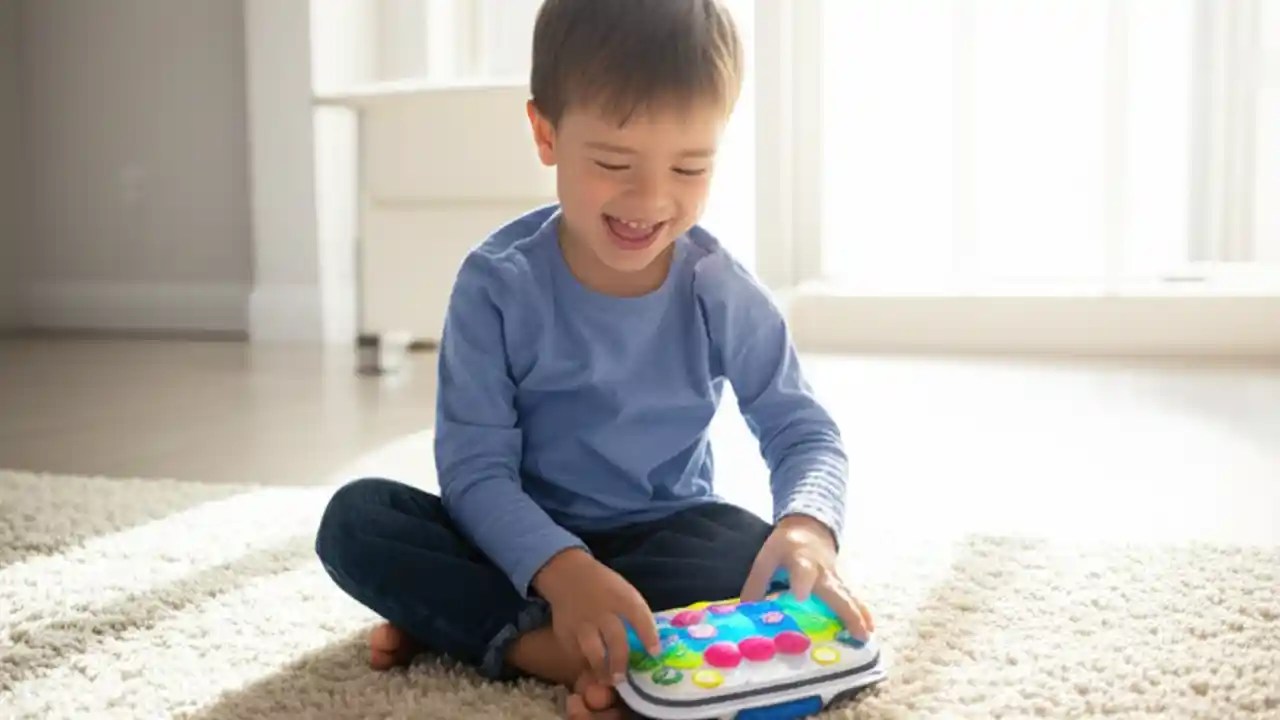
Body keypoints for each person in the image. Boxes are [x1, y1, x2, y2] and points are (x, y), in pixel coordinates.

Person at [315, 0, 874, 717]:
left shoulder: (719, 289)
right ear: (545, 134)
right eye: (614, 163)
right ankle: (550, 646)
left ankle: (474, 628)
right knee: (358, 521)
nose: (651, 198)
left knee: (752, 556)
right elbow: (475, 472)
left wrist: (807, 526)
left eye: (689, 165)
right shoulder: (496, 285)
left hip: (665, 534)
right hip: (518, 542)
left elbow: (805, 432)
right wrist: (565, 573)